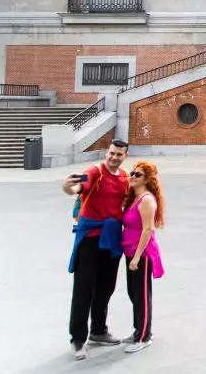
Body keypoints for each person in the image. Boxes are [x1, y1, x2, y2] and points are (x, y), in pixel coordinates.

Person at [62, 140, 130, 360]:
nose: (114, 157)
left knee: (106, 287)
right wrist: (67, 186)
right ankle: (77, 338)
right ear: (106, 153)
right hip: (91, 239)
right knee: (83, 289)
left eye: (119, 154)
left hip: (111, 238)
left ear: (125, 156)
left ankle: (98, 331)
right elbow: (77, 187)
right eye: (112, 153)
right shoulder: (94, 171)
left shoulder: (124, 178)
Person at [121, 161, 165, 354]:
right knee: (133, 292)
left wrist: (137, 257)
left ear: (147, 179)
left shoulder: (146, 200)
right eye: (132, 173)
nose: (132, 176)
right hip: (129, 251)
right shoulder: (134, 197)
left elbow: (147, 230)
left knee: (142, 295)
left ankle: (144, 336)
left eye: (137, 175)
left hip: (141, 253)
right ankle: (139, 328)